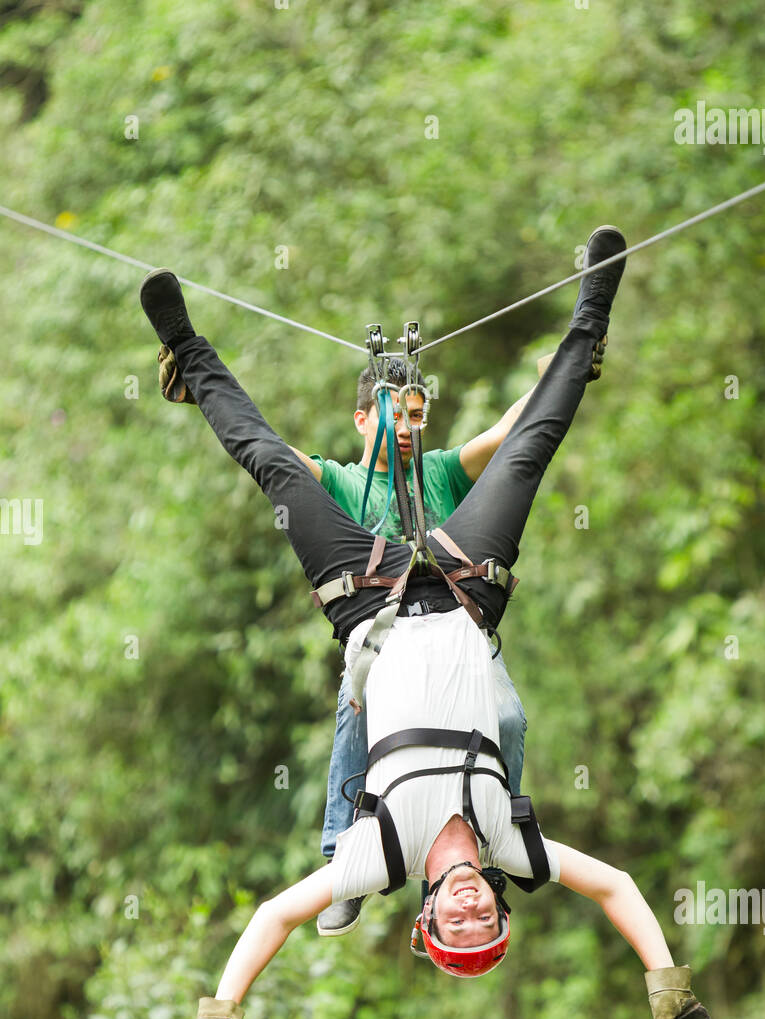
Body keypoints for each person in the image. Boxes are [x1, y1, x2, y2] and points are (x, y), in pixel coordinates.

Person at [139, 226, 714, 1019]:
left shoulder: (382, 858)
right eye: (490, 922)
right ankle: (592, 310)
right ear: (497, 909)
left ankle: (186, 348)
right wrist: (668, 990)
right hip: (462, 587)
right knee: (530, 451)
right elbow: (617, 886)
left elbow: (273, 915)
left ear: (431, 918)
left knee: (275, 469)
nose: (477, 908)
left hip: (369, 599)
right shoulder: (511, 848)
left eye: (462, 923)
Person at [161, 322, 587, 938]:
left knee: (512, 717)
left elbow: (507, 435)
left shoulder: (442, 471)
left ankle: (492, 820)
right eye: (397, 416)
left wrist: (557, 378)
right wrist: (201, 392)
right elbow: (272, 453)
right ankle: (342, 851)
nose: (411, 429)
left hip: (456, 639)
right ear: (363, 420)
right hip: (381, 640)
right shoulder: (342, 482)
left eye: (419, 415)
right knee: (355, 712)